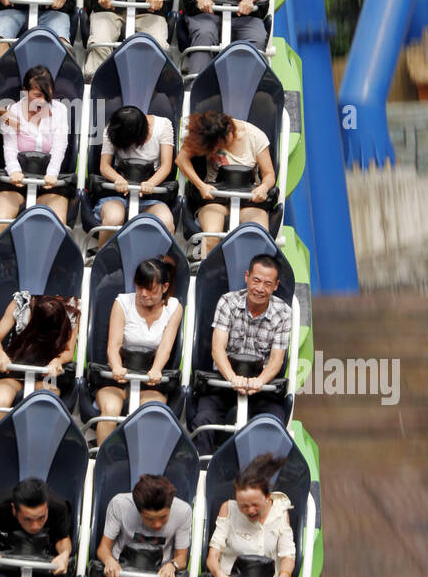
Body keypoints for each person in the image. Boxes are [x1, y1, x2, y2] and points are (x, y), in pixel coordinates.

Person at [190, 254, 292, 456]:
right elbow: (217, 349)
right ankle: (202, 472)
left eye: (267, 283)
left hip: (261, 387)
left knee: (273, 422)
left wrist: (260, 381)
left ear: (275, 286)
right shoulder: (228, 302)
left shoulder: (284, 313)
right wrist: (232, 378)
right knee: (203, 421)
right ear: (247, 277)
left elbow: (276, 360)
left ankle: (260, 481)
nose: (260, 288)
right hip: (223, 381)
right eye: (256, 280)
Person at [94, 257, 184, 445]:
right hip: (119, 376)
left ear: (164, 288)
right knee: (110, 409)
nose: (143, 294)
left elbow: (166, 347)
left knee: (151, 412)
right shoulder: (122, 303)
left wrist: (157, 369)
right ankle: (103, 459)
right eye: (139, 287)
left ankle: (142, 462)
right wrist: (117, 368)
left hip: (150, 380)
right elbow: (113, 345)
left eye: (150, 289)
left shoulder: (175, 308)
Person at [0, 66, 72, 245]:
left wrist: (52, 173)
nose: (42, 101)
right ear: (25, 92)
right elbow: (9, 148)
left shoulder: (60, 110)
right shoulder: (12, 112)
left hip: (48, 180)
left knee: (57, 224)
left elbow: (60, 145)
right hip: (15, 180)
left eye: (47, 95)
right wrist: (14, 172)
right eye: (37, 95)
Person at [177, 110, 275, 257]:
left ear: (229, 133)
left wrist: (263, 187)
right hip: (215, 196)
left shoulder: (255, 136)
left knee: (257, 235)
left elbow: (269, 174)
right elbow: (181, 160)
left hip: (248, 198)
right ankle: (208, 275)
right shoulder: (205, 134)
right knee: (211, 236)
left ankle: (246, 276)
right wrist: (201, 185)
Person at [0, 293, 79, 431]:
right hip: (13, 370)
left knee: (45, 403)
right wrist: (1, 355)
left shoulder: (71, 314)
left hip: (44, 375)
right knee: (0, 402)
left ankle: (36, 449)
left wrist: (58, 360)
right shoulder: (20, 305)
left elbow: (69, 351)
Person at [95, 105, 176, 246]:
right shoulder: (113, 129)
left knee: (166, 221)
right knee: (113, 218)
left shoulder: (163, 125)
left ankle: (158, 263)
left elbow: (166, 166)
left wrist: (151, 183)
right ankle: (103, 259)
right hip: (119, 193)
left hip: (150, 193)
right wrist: (118, 179)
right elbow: (104, 166)